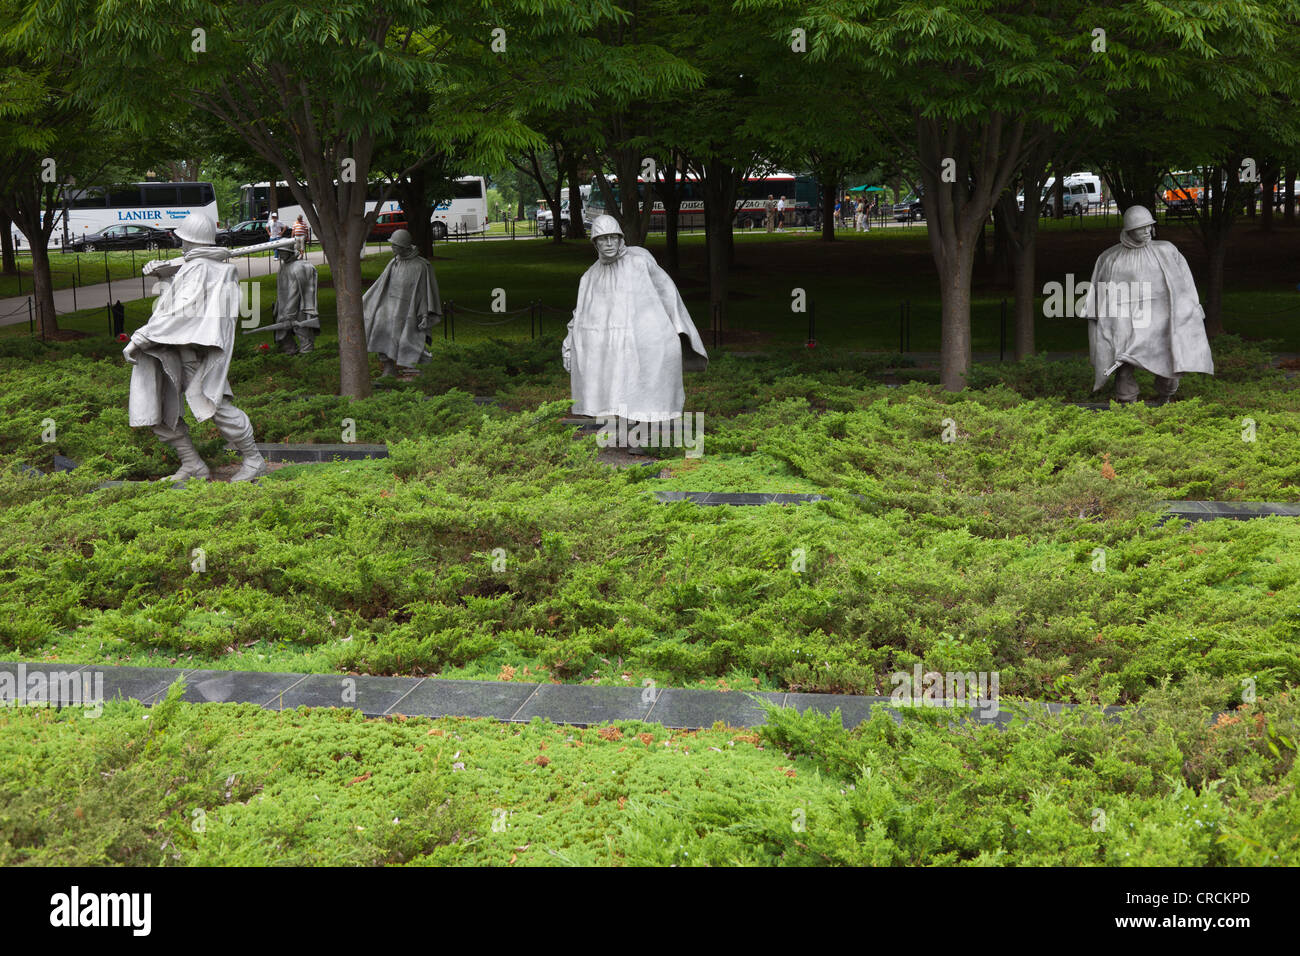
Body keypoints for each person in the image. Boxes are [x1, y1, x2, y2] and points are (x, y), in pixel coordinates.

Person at [122, 211, 267, 482]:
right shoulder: (196, 267)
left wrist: (138, 339)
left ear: (190, 242)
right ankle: (193, 465)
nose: (181, 245)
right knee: (164, 407)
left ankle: (254, 460)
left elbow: (180, 312)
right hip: (173, 349)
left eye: (184, 240)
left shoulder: (201, 268)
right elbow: (176, 305)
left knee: (216, 406)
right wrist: (165, 278)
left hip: (195, 354)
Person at [563, 215, 708, 454]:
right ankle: (626, 434)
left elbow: (667, 292)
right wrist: (569, 345)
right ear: (595, 244)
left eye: (612, 237)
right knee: (619, 386)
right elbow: (580, 314)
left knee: (646, 386)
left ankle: (644, 436)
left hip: (647, 338)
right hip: (612, 344)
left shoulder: (640, 262)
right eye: (602, 239)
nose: (608, 244)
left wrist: (680, 329)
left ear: (620, 239)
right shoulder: (590, 276)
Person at [1080, 205, 1214, 404]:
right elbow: (1098, 293)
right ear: (1128, 230)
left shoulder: (1166, 251)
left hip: (1163, 320)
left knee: (1169, 364)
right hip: (1125, 321)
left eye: (1149, 226)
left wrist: (1194, 307)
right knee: (1122, 365)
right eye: (1141, 227)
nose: (1146, 231)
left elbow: (1185, 283)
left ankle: (1165, 399)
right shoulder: (1110, 258)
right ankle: (1128, 406)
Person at [362, 228, 440, 377]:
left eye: (394, 245)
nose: (392, 248)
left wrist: (424, 315)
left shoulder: (421, 266)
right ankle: (388, 367)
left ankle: (422, 365)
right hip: (390, 308)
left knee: (409, 338)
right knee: (379, 327)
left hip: (410, 310)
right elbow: (381, 285)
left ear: (403, 246)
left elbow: (425, 293)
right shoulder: (394, 262)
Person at [272, 245, 319, 355]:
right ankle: (291, 351)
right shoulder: (283, 266)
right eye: (279, 252)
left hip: (299, 306)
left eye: (283, 252)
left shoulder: (298, 267)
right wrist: (279, 306)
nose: (281, 255)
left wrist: (289, 312)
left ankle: (307, 356)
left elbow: (296, 291)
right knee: (281, 332)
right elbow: (281, 289)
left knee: (303, 332)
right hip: (284, 306)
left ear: (290, 252)